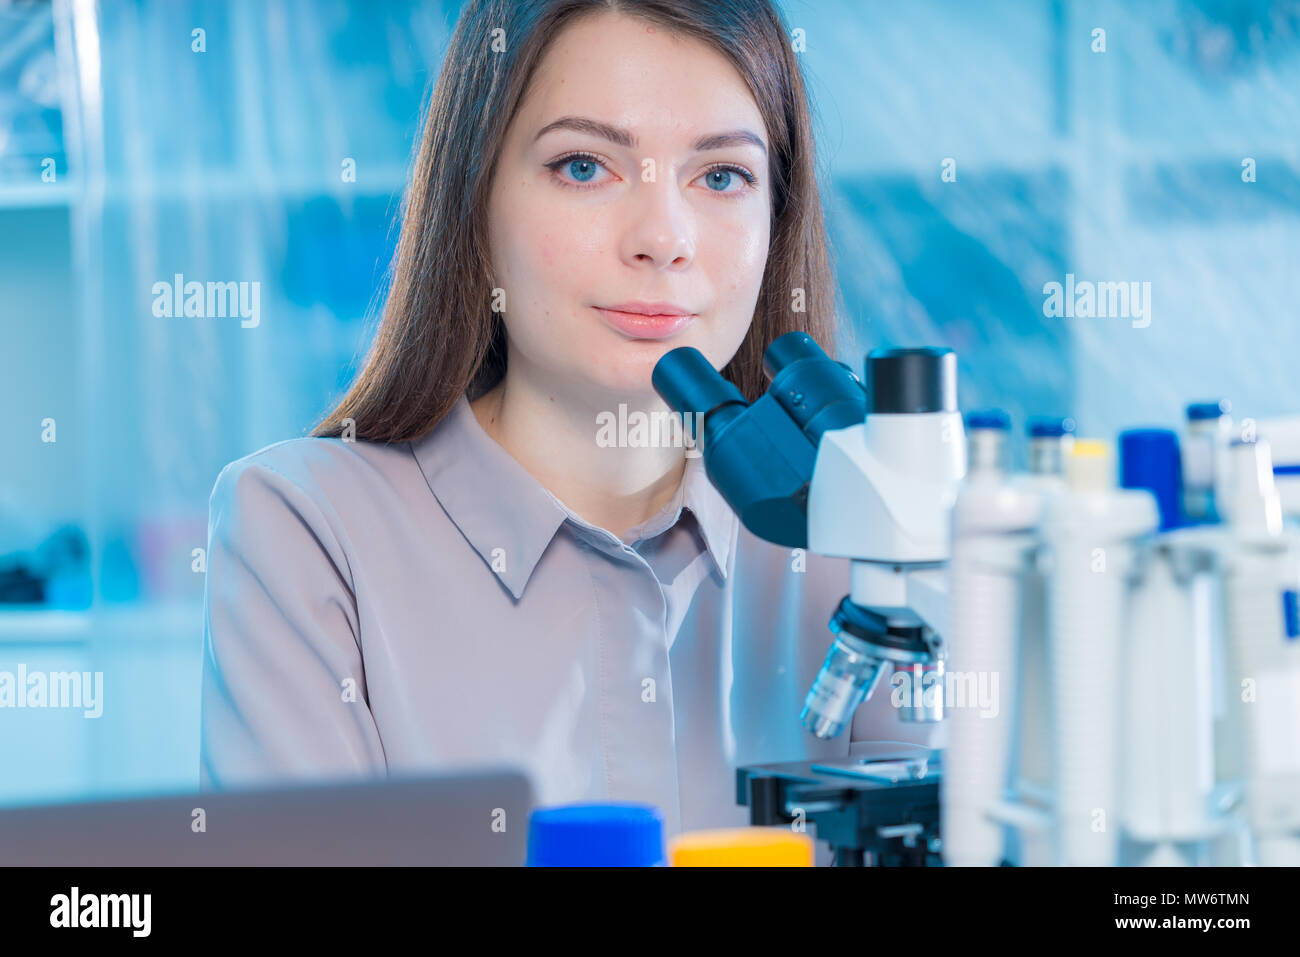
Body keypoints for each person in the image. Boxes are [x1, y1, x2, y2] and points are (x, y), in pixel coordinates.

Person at [200, 0, 940, 837]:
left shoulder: (860, 538)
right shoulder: (304, 528)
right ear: (473, 202)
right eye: (585, 166)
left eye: (722, 175)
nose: (663, 238)